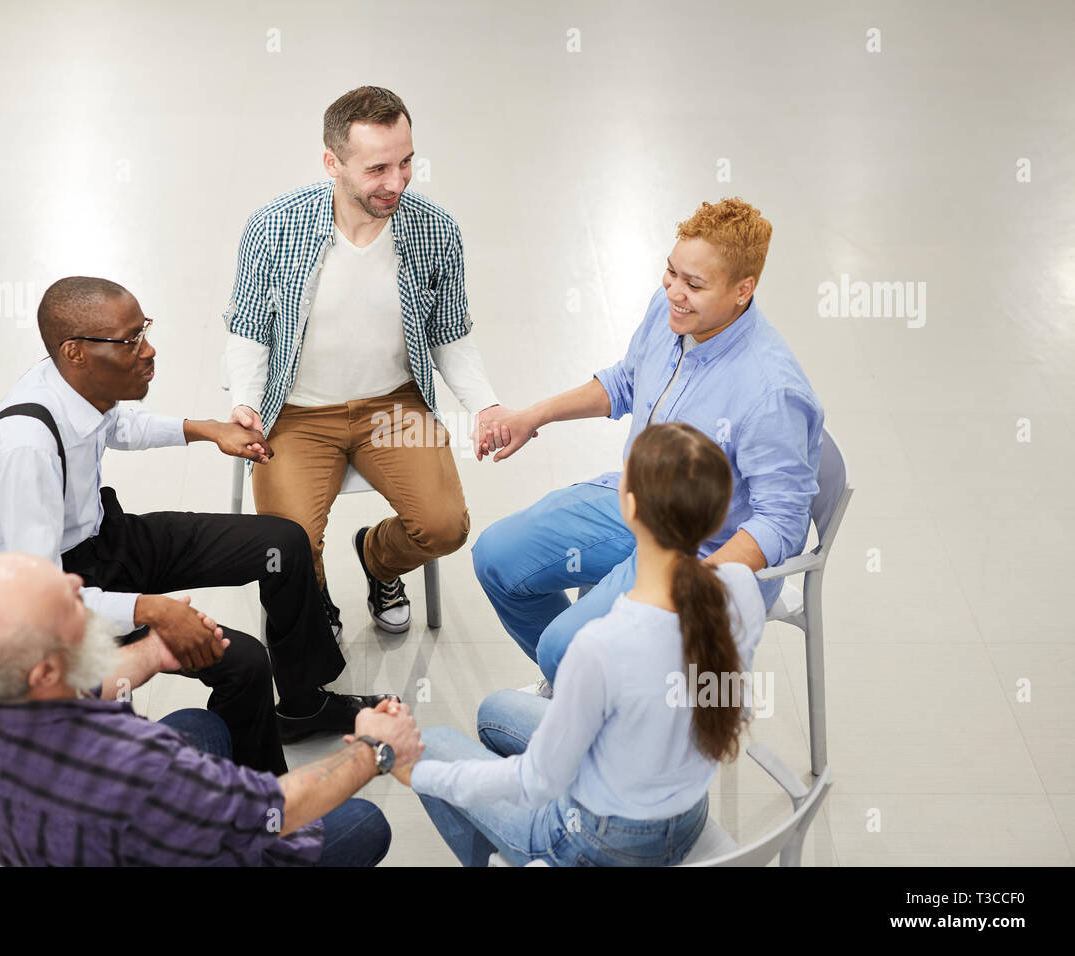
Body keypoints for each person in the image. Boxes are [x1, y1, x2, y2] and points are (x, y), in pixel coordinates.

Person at [0, 276, 394, 775]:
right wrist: (151, 609)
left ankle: (302, 706)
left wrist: (206, 430)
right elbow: (37, 602)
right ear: (76, 351)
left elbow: (116, 426)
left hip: (106, 542)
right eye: (130, 341)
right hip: (60, 596)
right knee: (245, 662)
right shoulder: (27, 450)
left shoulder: (70, 382)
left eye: (143, 330)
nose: (148, 351)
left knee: (285, 542)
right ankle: (260, 816)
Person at [471, 198, 823, 692]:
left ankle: (589, 696)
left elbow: (782, 521)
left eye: (694, 285)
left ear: (743, 291)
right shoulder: (672, 312)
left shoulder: (772, 392)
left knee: (562, 649)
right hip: (636, 506)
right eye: (671, 272)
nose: (674, 292)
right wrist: (534, 415)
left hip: (703, 551)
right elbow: (627, 382)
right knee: (496, 557)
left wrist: (691, 585)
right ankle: (590, 691)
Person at [223, 85, 512, 637]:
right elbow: (249, 330)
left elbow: (450, 334)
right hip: (298, 410)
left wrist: (486, 405)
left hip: (394, 405)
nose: (397, 182)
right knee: (288, 547)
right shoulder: (273, 227)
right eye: (378, 168)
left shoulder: (435, 229)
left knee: (445, 527)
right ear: (332, 162)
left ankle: (377, 559)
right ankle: (318, 596)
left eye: (407, 162)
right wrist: (243, 401)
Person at [0, 552, 424, 867]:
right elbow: (272, 811)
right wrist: (375, 750)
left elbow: (78, 689)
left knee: (201, 726)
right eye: (64, 603)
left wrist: (152, 652)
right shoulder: (138, 769)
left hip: (49, 841)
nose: (75, 584)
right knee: (363, 822)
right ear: (45, 673)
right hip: (143, 829)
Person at [411, 423, 765, 866]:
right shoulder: (740, 588)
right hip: (688, 813)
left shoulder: (600, 645)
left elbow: (535, 781)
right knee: (494, 713)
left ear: (629, 506)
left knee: (434, 745)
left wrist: (411, 767)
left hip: (601, 840)